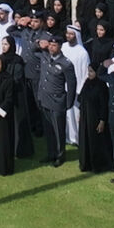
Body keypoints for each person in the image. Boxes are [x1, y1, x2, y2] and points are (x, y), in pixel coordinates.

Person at [32, 36, 76, 168]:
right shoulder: (45, 56)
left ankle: (60, 155)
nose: (51, 47)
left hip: (57, 101)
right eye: (50, 45)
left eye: (54, 45)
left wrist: (69, 103)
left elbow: (72, 84)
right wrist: (39, 43)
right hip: (44, 98)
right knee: (48, 129)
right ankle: (51, 153)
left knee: (58, 130)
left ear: (60, 47)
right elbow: (33, 49)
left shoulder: (66, 63)